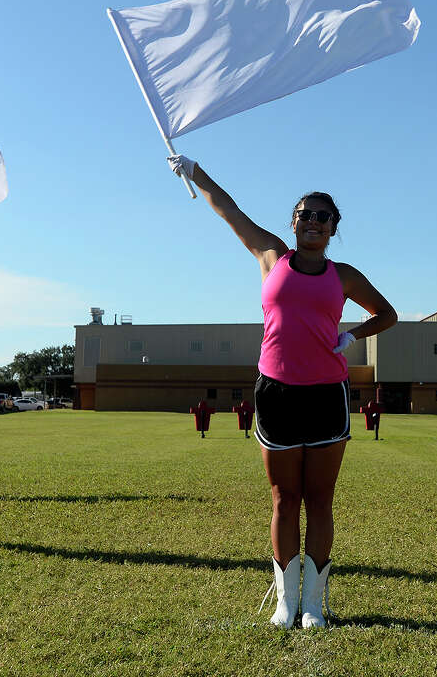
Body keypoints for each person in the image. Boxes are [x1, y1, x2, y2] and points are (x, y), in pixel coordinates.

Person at [169, 154, 396, 628]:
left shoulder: (345, 275)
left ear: (334, 227)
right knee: (282, 499)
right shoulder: (271, 256)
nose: (313, 221)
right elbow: (229, 210)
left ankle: (313, 602)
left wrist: (352, 336)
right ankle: (285, 600)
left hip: (327, 394)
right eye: (305, 214)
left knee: (321, 499)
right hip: (275, 391)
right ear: (293, 223)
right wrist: (196, 172)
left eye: (323, 216)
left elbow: (387, 313)